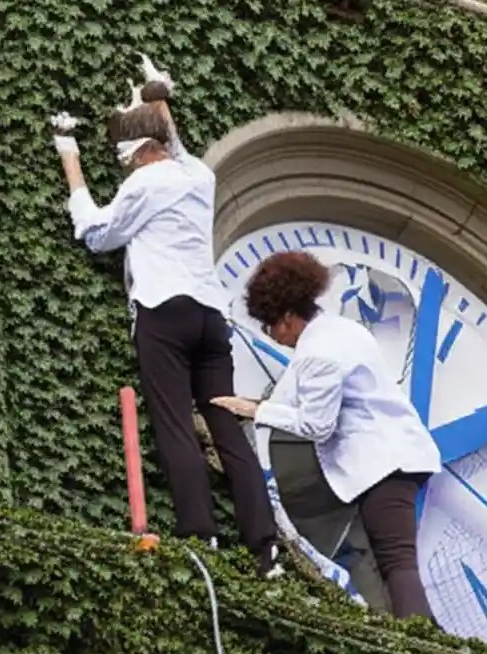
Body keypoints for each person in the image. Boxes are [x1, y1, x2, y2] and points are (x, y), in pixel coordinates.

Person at [49, 62, 282, 578]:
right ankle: (265, 551)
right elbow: (172, 142)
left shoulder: (142, 186)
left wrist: (71, 159)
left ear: (132, 154)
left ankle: (202, 536)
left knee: (176, 425)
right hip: (210, 317)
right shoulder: (199, 176)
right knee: (228, 432)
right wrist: (156, 97)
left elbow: (95, 232)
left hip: (163, 312)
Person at [210, 251, 440, 620]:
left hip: (382, 463)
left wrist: (257, 411)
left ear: (287, 317)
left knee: (396, 561)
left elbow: (318, 425)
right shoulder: (340, 330)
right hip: (397, 456)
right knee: (389, 561)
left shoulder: (317, 353)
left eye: (270, 328)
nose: (274, 338)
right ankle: (411, 637)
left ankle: (424, 642)